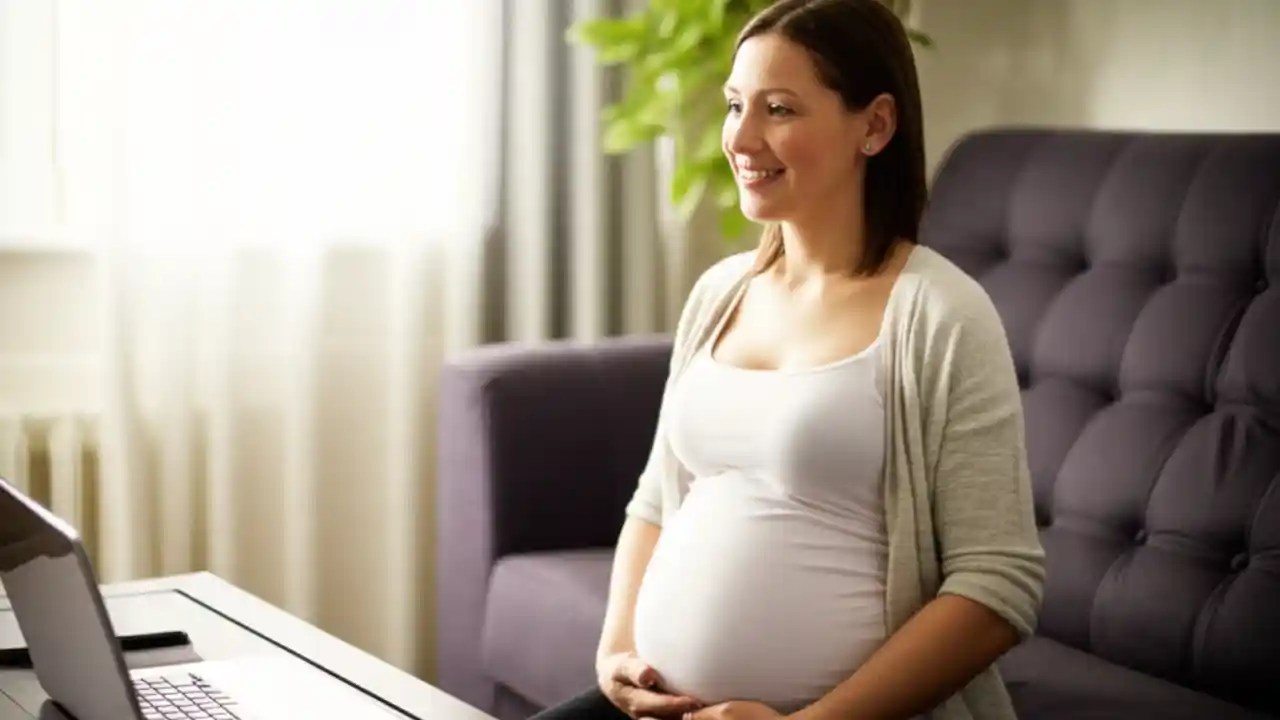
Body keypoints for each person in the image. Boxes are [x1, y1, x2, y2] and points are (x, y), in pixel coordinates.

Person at [531, 1, 1045, 719]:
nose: (741, 137)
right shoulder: (720, 293)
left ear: (875, 126)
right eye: (734, 105)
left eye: (778, 109)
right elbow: (656, 500)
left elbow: (997, 585)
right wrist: (615, 656)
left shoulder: (942, 314)